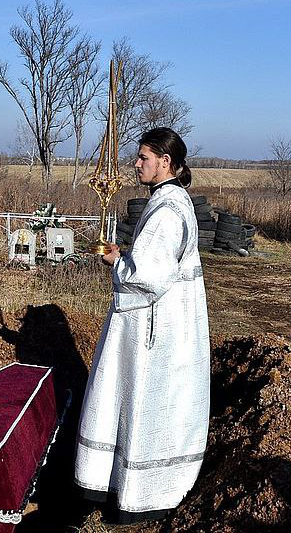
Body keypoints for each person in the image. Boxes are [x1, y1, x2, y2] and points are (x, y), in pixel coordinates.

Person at [73, 127, 210, 524]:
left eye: (143, 158)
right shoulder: (171, 201)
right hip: (168, 321)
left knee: (142, 397)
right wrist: (127, 254)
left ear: (165, 162)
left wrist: (116, 262)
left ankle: (142, 491)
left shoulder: (167, 211)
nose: (136, 164)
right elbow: (155, 260)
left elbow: (147, 277)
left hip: (154, 326)